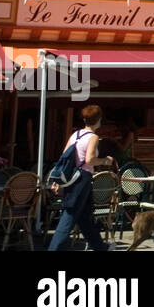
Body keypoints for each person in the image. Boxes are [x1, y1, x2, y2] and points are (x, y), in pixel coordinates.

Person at [48, 104, 114, 252]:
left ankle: (100, 246)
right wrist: (105, 161)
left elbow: (63, 158)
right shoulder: (94, 137)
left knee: (84, 215)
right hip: (82, 178)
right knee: (69, 216)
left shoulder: (75, 135)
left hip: (71, 177)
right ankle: (54, 248)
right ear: (98, 120)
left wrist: (59, 182)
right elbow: (90, 160)